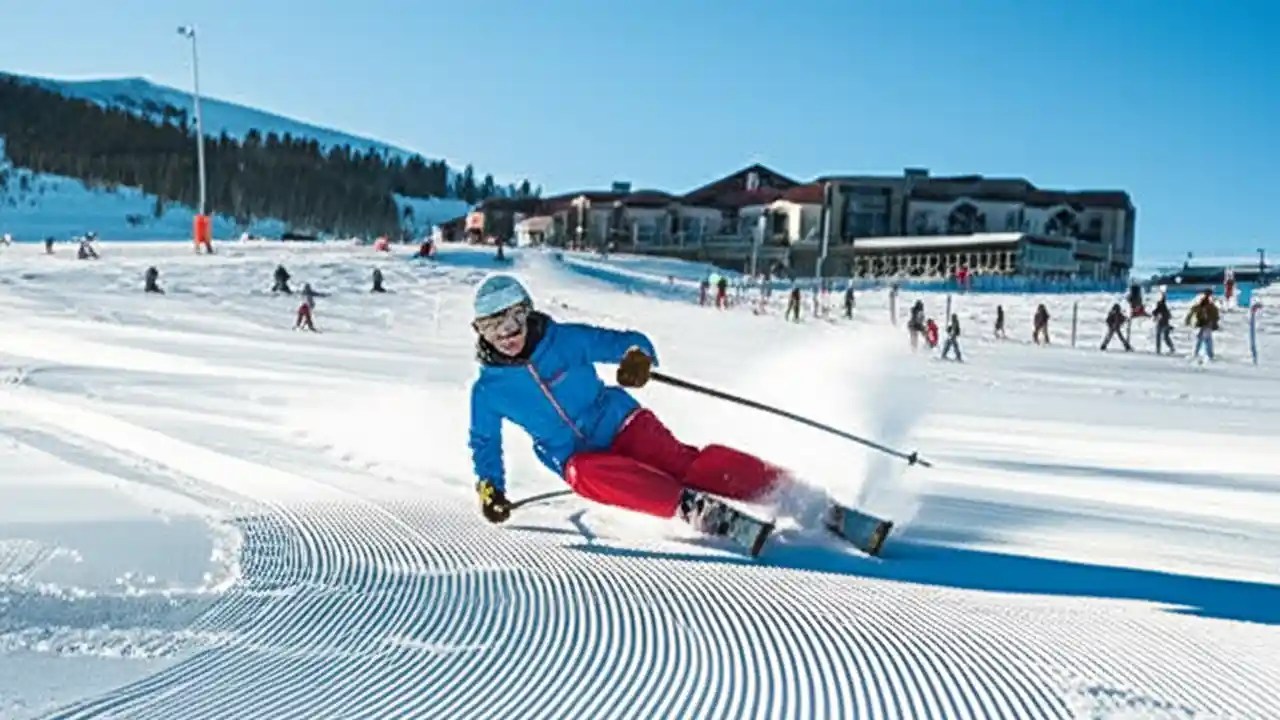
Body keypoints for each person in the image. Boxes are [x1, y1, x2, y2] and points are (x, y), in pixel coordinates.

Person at [467, 274, 787, 530]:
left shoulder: (564, 340)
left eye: (511, 325)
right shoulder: (488, 391)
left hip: (621, 423)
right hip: (578, 457)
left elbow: (630, 342)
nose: (506, 338)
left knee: (681, 465)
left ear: (526, 313)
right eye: (493, 331)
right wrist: (490, 487)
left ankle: (777, 487)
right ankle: (688, 507)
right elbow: (485, 442)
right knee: (580, 473)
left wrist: (637, 358)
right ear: (480, 333)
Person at [1186, 289, 1220, 361]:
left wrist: (1188, 320)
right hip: (1203, 323)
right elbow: (1215, 315)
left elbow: (1215, 315)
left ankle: (1201, 353)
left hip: (1205, 323)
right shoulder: (1207, 304)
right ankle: (1207, 354)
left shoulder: (1208, 304)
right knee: (1204, 339)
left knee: (1203, 339)